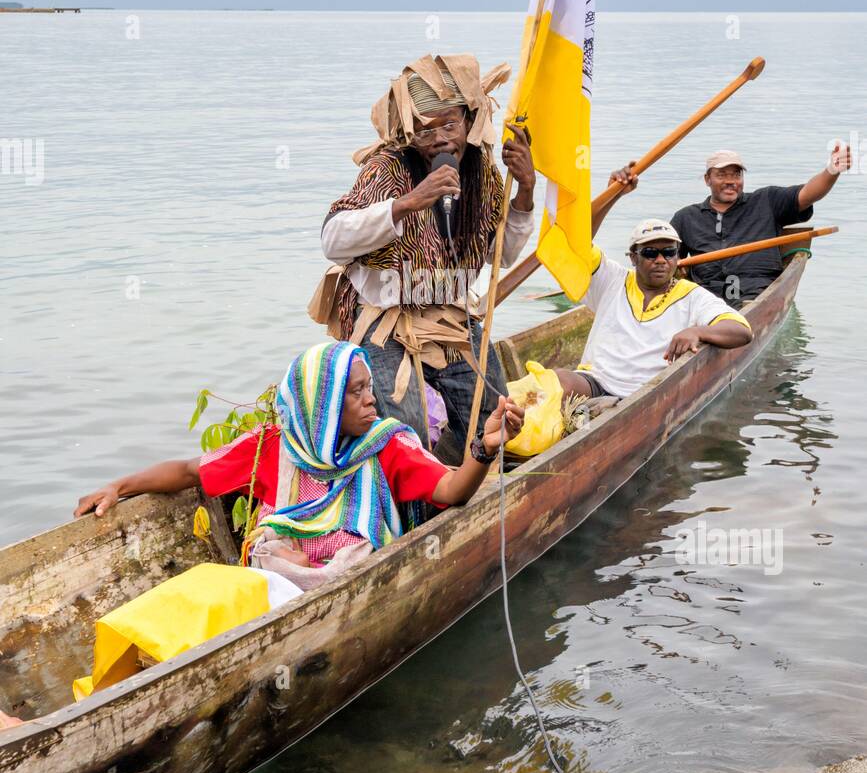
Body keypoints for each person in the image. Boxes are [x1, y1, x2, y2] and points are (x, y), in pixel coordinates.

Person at [74, 341, 525, 594]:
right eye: (356, 392)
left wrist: (483, 450)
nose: (372, 399)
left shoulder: (386, 446)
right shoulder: (277, 447)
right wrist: (121, 485)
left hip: (348, 581)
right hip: (277, 580)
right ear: (323, 406)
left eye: (370, 387)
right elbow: (192, 471)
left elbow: (451, 492)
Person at [313, 53, 536, 450]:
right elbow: (332, 239)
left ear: (469, 121)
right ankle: (413, 493)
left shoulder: (482, 171)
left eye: (449, 124)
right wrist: (406, 203)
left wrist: (526, 190)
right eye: (425, 130)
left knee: (493, 414)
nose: (439, 139)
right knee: (405, 428)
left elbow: (500, 256)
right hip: (386, 323)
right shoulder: (388, 167)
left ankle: (460, 476)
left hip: (451, 319)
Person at [556, 220, 752, 403]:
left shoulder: (693, 296)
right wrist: (615, 194)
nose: (660, 260)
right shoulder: (611, 279)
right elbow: (575, 238)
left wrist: (697, 331)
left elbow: (741, 331)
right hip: (596, 383)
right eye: (650, 253)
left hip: (647, 396)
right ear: (633, 257)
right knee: (558, 380)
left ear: (677, 257)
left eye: (669, 252)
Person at [671, 144, 851, 304]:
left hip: (757, 293)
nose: (730, 181)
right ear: (707, 179)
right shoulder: (686, 217)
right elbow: (664, 256)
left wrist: (831, 170)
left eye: (736, 174)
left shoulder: (766, 201)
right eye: (722, 175)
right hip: (706, 299)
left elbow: (807, 195)